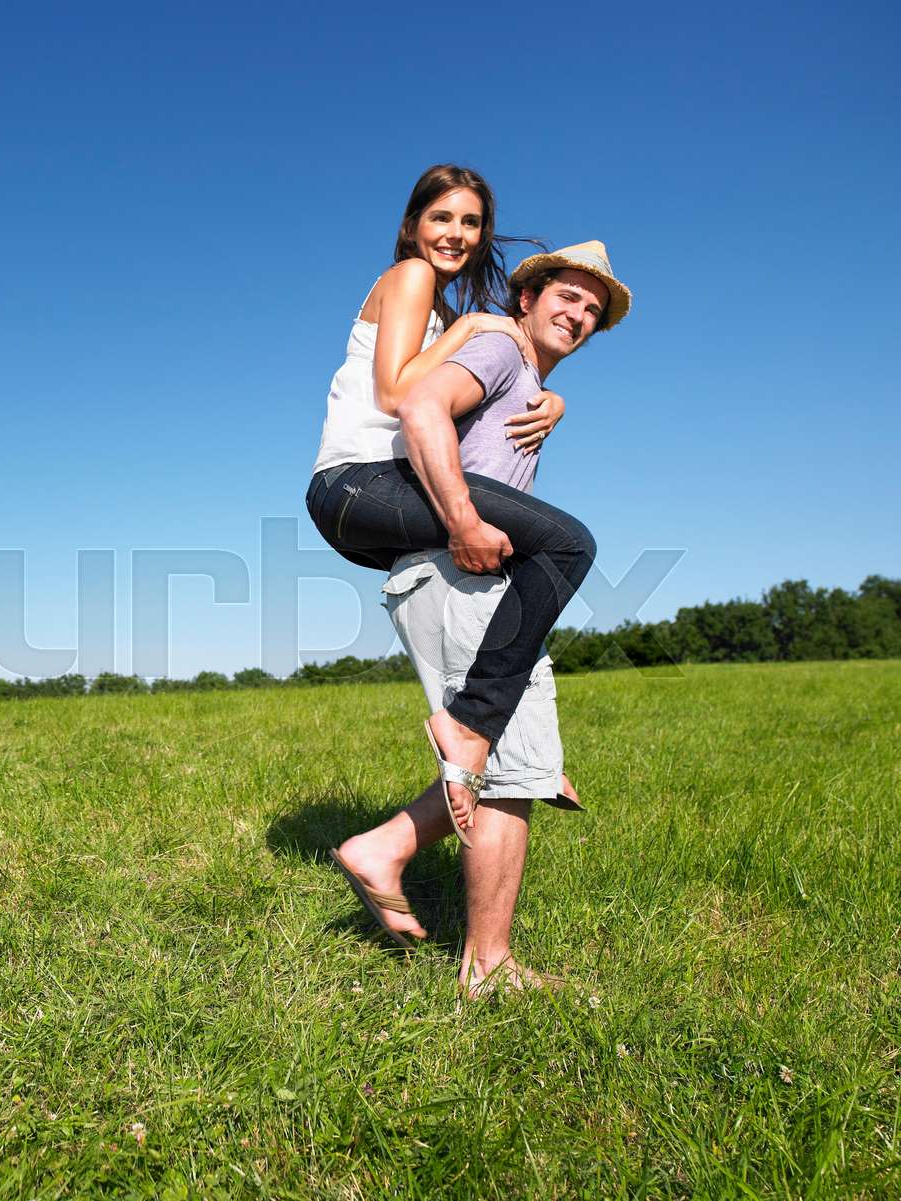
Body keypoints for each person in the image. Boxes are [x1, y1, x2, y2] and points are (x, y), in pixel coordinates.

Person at [322, 241, 632, 996]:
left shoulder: (522, 377)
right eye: (567, 296)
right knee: (504, 763)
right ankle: (487, 968)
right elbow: (422, 403)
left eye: (593, 309)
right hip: (455, 570)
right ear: (527, 299)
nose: (580, 314)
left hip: (460, 572)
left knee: (510, 766)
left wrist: (552, 401)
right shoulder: (498, 347)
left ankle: (386, 847)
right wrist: (461, 518)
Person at [308, 174, 617, 839]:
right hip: (357, 480)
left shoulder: (445, 314)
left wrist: (551, 397)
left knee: (527, 561)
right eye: (441, 217)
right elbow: (398, 395)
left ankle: (507, 738)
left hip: (376, 494)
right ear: (412, 224)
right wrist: (478, 324)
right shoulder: (414, 276)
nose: (455, 234)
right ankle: (474, 723)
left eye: (471, 223)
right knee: (568, 544)